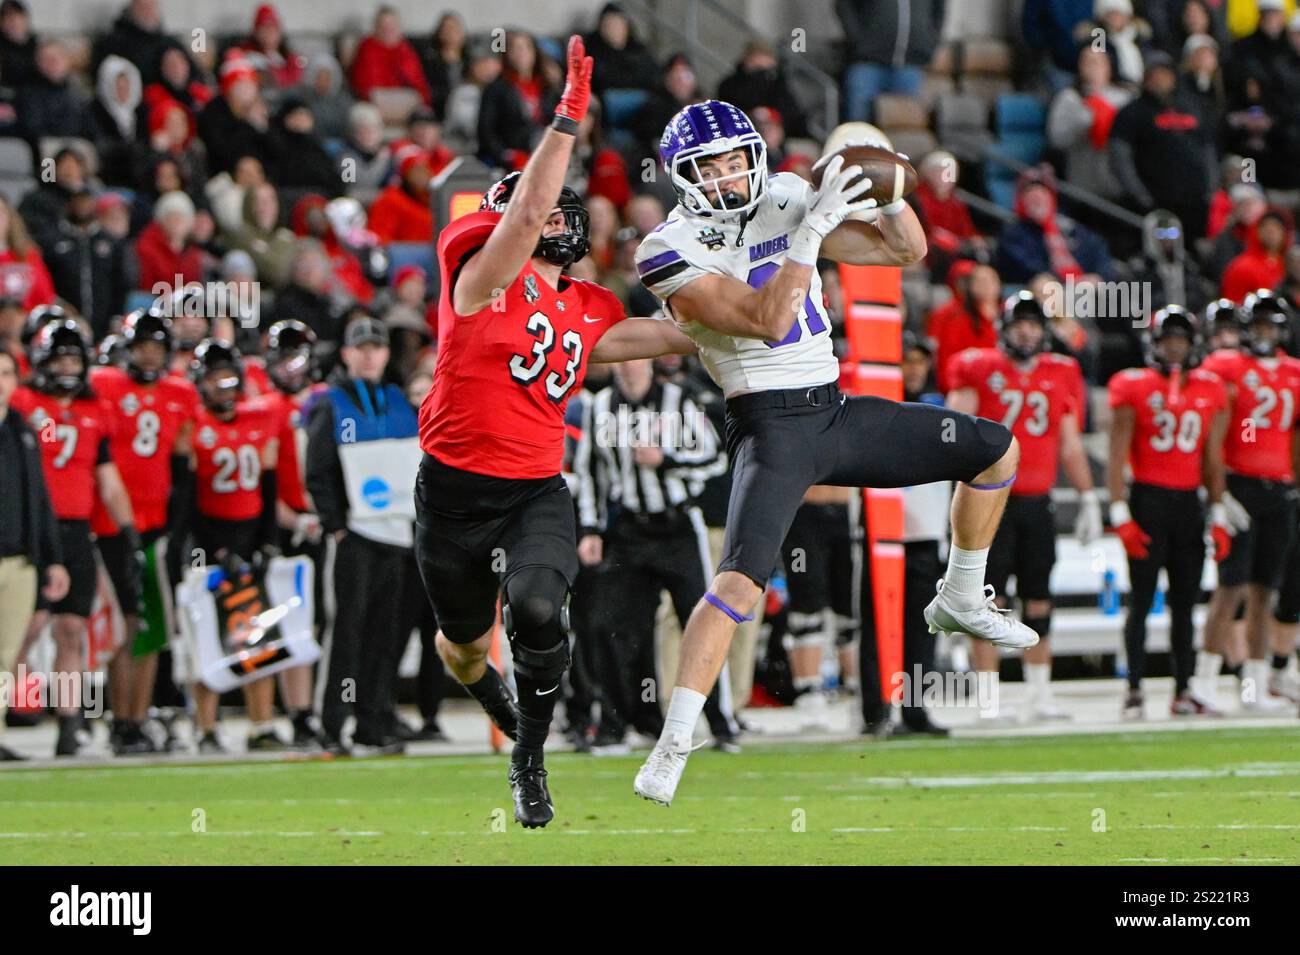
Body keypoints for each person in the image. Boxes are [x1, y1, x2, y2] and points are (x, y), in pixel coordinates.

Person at [630, 100, 1035, 807]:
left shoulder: (785, 194)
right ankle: (675, 741)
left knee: (996, 449)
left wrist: (890, 189)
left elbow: (904, 251)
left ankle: (962, 594)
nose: (729, 175)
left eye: (735, 158)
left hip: (835, 410)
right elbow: (767, 319)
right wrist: (809, 235)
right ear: (683, 178)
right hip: (769, 425)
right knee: (738, 583)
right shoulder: (668, 248)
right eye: (710, 166)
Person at [414, 37, 700, 828]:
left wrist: (759, 308)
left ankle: (529, 754)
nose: (563, 214)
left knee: (540, 610)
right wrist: (568, 115)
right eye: (546, 206)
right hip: (452, 495)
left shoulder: (585, 306)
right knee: (463, 650)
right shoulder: (480, 273)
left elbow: (665, 335)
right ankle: (495, 699)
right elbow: (530, 213)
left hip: (535, 488)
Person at [945, 293, 1098, 722]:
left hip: (1036, 501)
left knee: (1038, 598)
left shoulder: (1062, 371)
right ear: (1005, 328)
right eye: (1020, 324)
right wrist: (956, 501)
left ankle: (1039, 695)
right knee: (982, 601)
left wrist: (1087, 496)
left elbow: (1069, 444)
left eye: (1034, 324)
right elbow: (956, 437)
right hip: (988, 501)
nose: (1027, 331)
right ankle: (987, 700)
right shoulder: (978, 367)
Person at [572, 357, 734, 752]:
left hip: (678, 527)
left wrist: (668, 459)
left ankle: (721, 722)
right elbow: (590, 472)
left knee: (701, 622)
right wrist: (591, 529)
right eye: (621, 361)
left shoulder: (679, 401)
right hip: (628, 529)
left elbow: (715, 456)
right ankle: (615, 724)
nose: (628, 368)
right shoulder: (600, 406)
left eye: (635, 359)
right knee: (615, 628)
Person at [10, 319, 138, 757]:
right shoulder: (26, 405)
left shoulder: (93, 411)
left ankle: (70, 724)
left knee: (71, 629)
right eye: (60, 357)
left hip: (76, 530)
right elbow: (42, 449)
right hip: (31, 532)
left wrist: (127, 533)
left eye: (73, 358)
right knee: (23, 629)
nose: (67, 366)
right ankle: (15, 710)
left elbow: (108, 480)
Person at [1107, 306, 1229, 719]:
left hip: (1187, 504)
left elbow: (1213, 460)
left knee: (1184, 603)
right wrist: (1119, 509)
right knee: (1141, 600)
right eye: (1167, 340)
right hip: (1148, 499)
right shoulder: (1134, 384)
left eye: (1181, 339)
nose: (1174, 347)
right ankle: (1134, 689)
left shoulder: (1211, 388)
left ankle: (1183, 689)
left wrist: (1218, 510)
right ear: (1154, 343)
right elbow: (1117, 450)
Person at [305, 316, 417, 755]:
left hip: (395, 533)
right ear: (347, 354)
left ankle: (373, 722)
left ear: (386, 354)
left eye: (377, 347)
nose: (369, 355)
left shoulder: (398, 400)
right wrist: (335, 525)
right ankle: (332, 723)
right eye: (361, 347)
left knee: (383, 634)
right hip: (354, 534)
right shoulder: (330, 403)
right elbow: (317, 469)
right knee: (346, 632)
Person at [89, 308, 197, 754]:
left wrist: (175, 528)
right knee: (122, 624)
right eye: (142, 347)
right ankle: (120, 719)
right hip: (109, 523)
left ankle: (137, 718)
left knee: (151, 627)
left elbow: (183, 466)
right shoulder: (104, 385)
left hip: (155, 525)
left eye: (157, 348)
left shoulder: (181, 393)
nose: (150, 356)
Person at [177, 338, 284, 752]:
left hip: (249, 536)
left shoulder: (260, 419)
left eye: (228, 376)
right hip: (206, 542)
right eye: (213, 377)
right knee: (206, 636)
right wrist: (217, 551)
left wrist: (268, 543)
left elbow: (269, 486)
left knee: (260, 633)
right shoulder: (193, 426)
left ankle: (261, 725)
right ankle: (205, 728)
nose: (222, 385)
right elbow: (186, 500)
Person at [1196, 291, 1300, 713]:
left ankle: (1253, 690)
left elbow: (1291, 436)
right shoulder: (1226, 366)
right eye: (1256, 326)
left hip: (1279, 488)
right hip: (1241, 485)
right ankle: (1203, 683)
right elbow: (1223, 434)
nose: (1262, 334)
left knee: (1264, 592)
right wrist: (1219, 494)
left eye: (1269, 327)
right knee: (1230, 589)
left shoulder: (1294, 372)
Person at [258, 320, 329, 749]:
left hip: (317, 521)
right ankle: (269, 717)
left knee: (312, 623)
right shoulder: (264, 407)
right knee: (276, 623)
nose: (290, 366)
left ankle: (304, 712)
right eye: (283, 357)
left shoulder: (322, 402)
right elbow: (263, 481)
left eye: (296, 356)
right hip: (278, 527)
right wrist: (290, 520)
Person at [0, 343, 69, 761]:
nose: (1, 383)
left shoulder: (24, 429)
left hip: (19, 561)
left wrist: (52, 558)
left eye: (7, 374)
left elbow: (39, 498)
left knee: (7, 653)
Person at [896, 332, 950, 735]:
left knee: (922, 628)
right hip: (881, 537)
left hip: (928, 532)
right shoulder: (871, 406)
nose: (913, 368)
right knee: (882, 628)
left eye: (919, 360)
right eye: (905, 360)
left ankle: (915, 709)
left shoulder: (938, 409)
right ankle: (877, 707)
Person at [836, 0, 945, 123]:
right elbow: (844, 5)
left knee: (904, 127)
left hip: (909, 63)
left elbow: (939, 10)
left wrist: (928, 42)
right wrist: (858, 41)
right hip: (866, 61)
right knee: (858, 123)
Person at [348, 6, 431, 106]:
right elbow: (361, 85)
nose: (388, 30)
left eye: (391, 26)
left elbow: (419, 85)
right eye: (383, 26)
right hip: (374, 100)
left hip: (403, 99)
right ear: (376, 27)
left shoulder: (406, 50)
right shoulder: (367, 47)